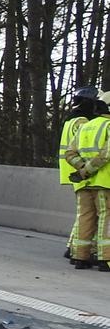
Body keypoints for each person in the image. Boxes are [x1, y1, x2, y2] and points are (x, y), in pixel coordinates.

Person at [64, 98, 110, 270]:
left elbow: (70, 153)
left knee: (85, 217)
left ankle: (80, 257)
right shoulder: (108, 126)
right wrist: (88, 169)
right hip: (105, 182)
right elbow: (106, 154)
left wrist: (81, 167)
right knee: (107, 218)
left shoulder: (86, 126)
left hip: (84, 184)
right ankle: (106, 259)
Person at [58, 85, 100, 260]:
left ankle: (73, 246)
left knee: (83, 212)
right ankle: (84, 249)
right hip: (81, 170)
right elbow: (84, 147)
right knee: (90, 213)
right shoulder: (82, 122)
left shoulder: (71, 119)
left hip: (73, 169)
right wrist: (86, 168)